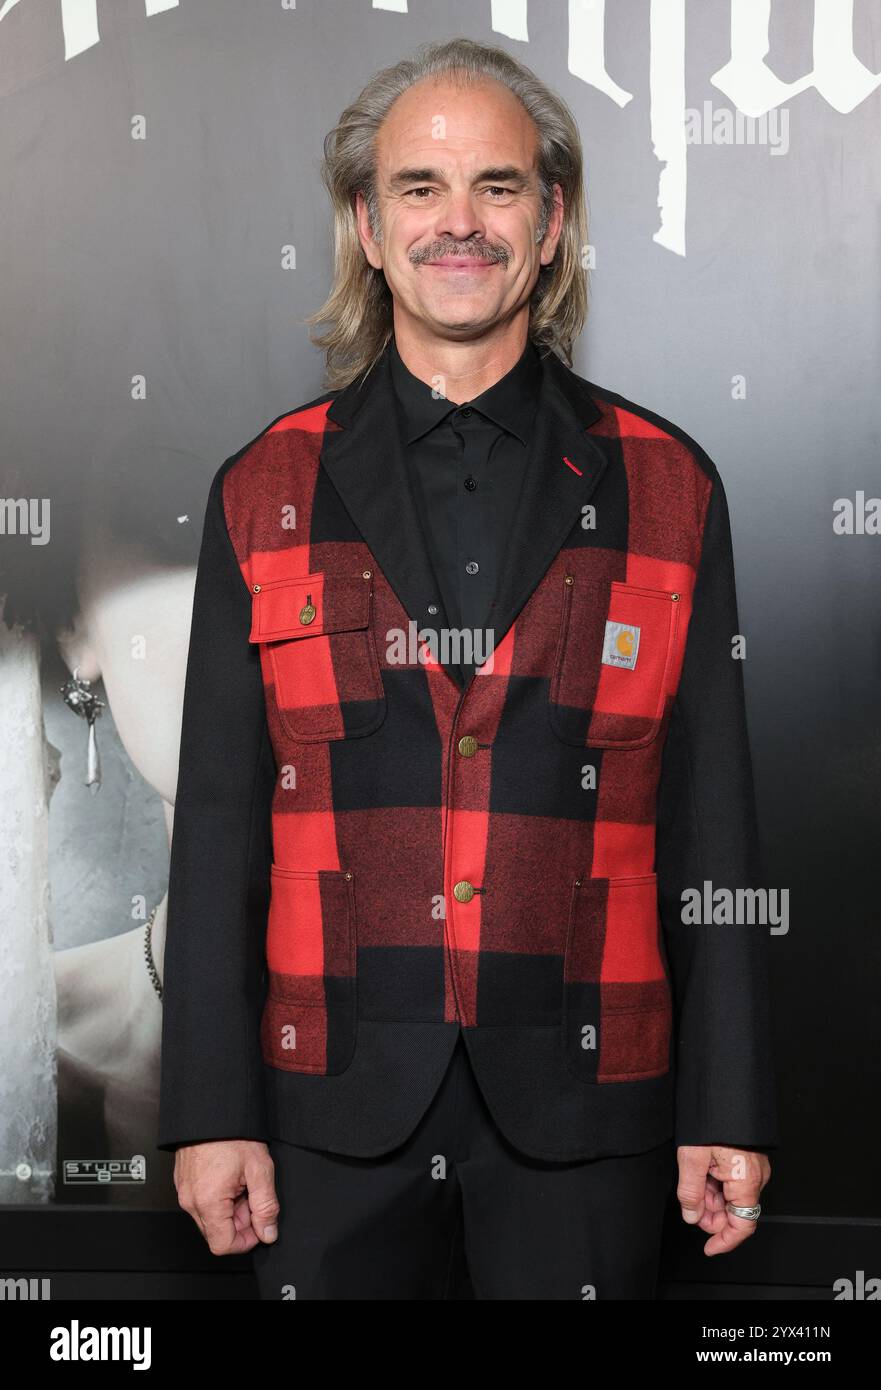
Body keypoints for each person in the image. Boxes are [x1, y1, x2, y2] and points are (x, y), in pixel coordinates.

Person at [157, 36, 779, 1300]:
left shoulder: (668, 485)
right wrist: (207, 1111)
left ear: (551, 224)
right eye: (420, 190)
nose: (460, 224)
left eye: (497, 187)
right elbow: (219, 828)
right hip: (322, 1114)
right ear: (366, 226)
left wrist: (728, 1100)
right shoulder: (261, 488)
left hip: (590, 1114)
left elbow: (712, 826)